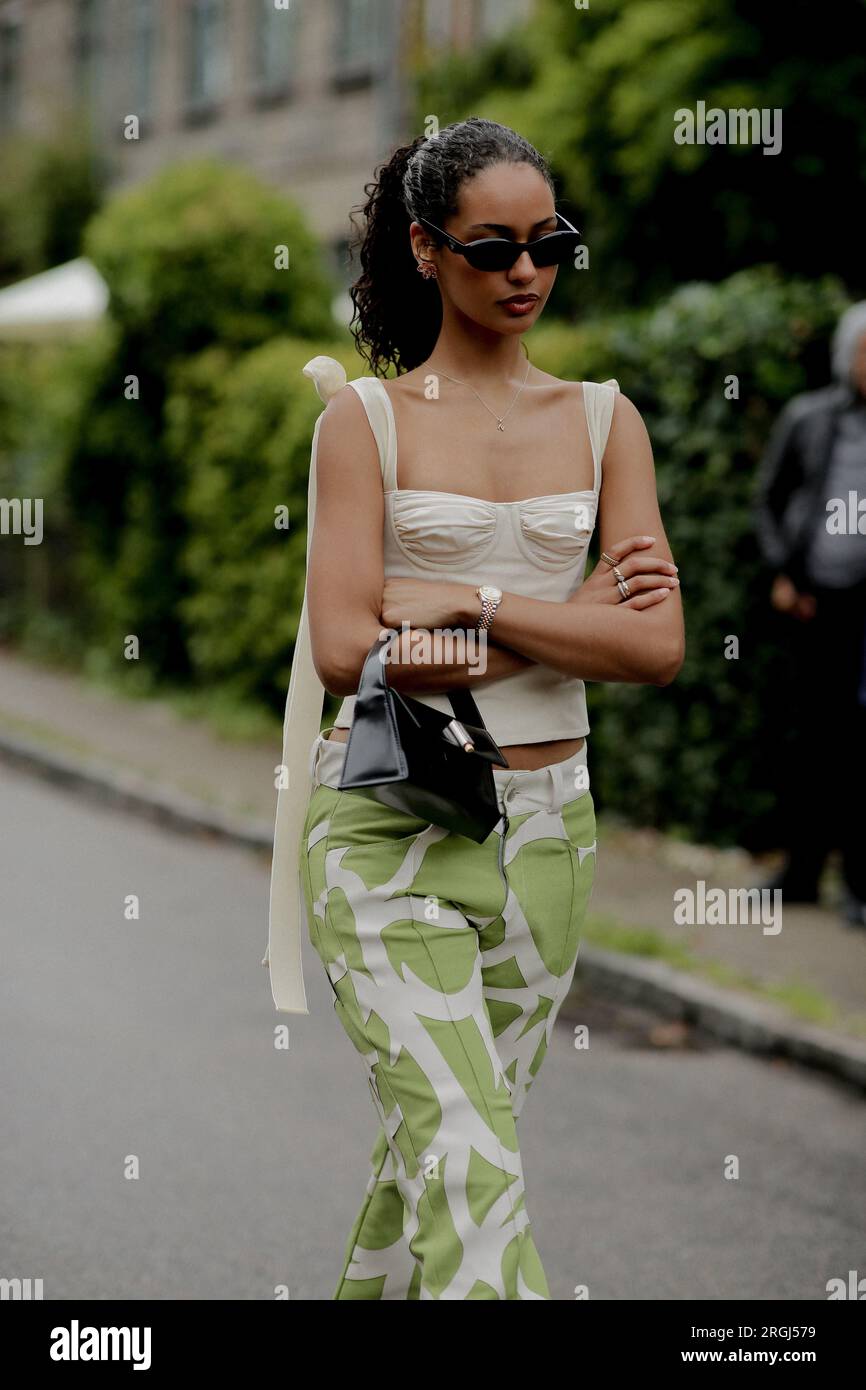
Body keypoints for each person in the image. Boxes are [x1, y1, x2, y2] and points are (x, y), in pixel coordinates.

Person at [266, 117, 685, 1299]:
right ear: (424, 248)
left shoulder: (607, 422)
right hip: (390, 826)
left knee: (442, 1158)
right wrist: (569, 620)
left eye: (547, 244)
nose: (524, 272)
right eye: (491, 246)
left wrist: (467, 603)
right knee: (466, 1152)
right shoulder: (365, 423)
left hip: (550, 831)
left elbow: (651, 644)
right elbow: (352, 646)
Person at [754, 301, 866, 927]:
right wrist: (783, 573)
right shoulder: (809, 417)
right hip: (813, 604)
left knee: (858, 745)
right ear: (846, 356)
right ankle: (797, 876)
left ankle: (858, 886)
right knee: (807, 742)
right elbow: (769, 500)